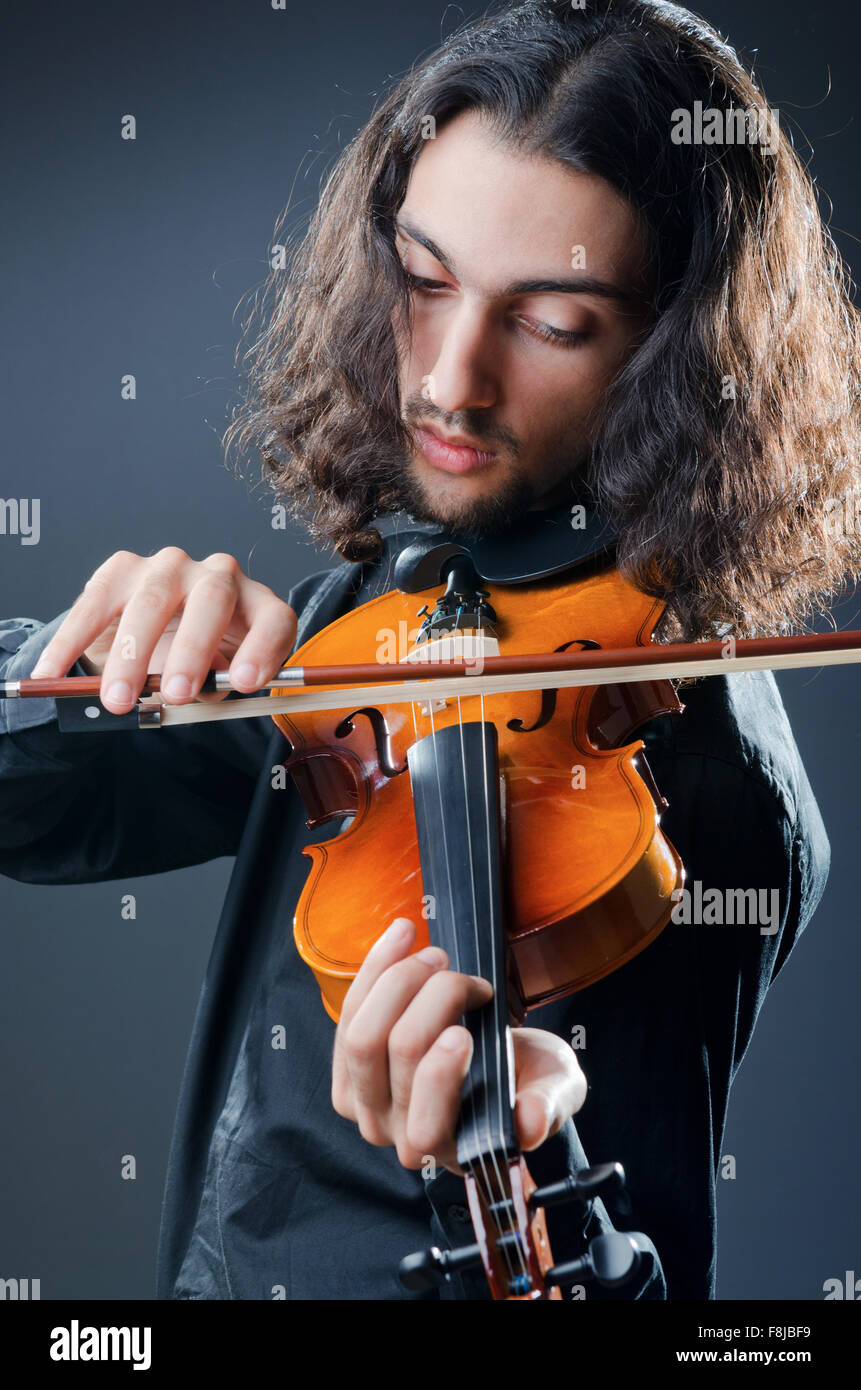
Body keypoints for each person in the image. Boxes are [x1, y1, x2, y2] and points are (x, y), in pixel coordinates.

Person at [1, 0, 858, 1300]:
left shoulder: (690, 783)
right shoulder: (400, 612)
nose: (449, 378)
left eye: (552, 321)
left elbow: (627, 1283)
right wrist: (96, 654)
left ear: (674, 357)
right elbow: (37, 799)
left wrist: (532, 1182)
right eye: (422, 277)